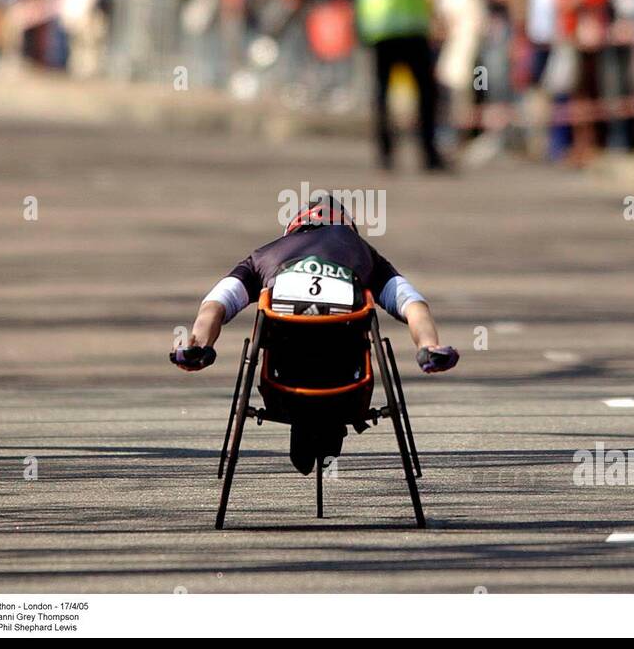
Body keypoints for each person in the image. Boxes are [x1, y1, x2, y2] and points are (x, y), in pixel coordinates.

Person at [170, 194, 459, 474]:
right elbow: (414, 305)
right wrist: (428, 345)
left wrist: (198, 344)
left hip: (281, 387)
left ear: (292, 229)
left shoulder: (263, 256)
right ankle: (331, 428)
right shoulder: (364, 253)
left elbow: (214, 305)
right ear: (348, 228)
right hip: (349, 389)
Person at [347, 0, 444, 171]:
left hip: (414, 28)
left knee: (426, 92)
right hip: (383, 29)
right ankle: (386, 153)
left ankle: (429, 152)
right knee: (382, 94)